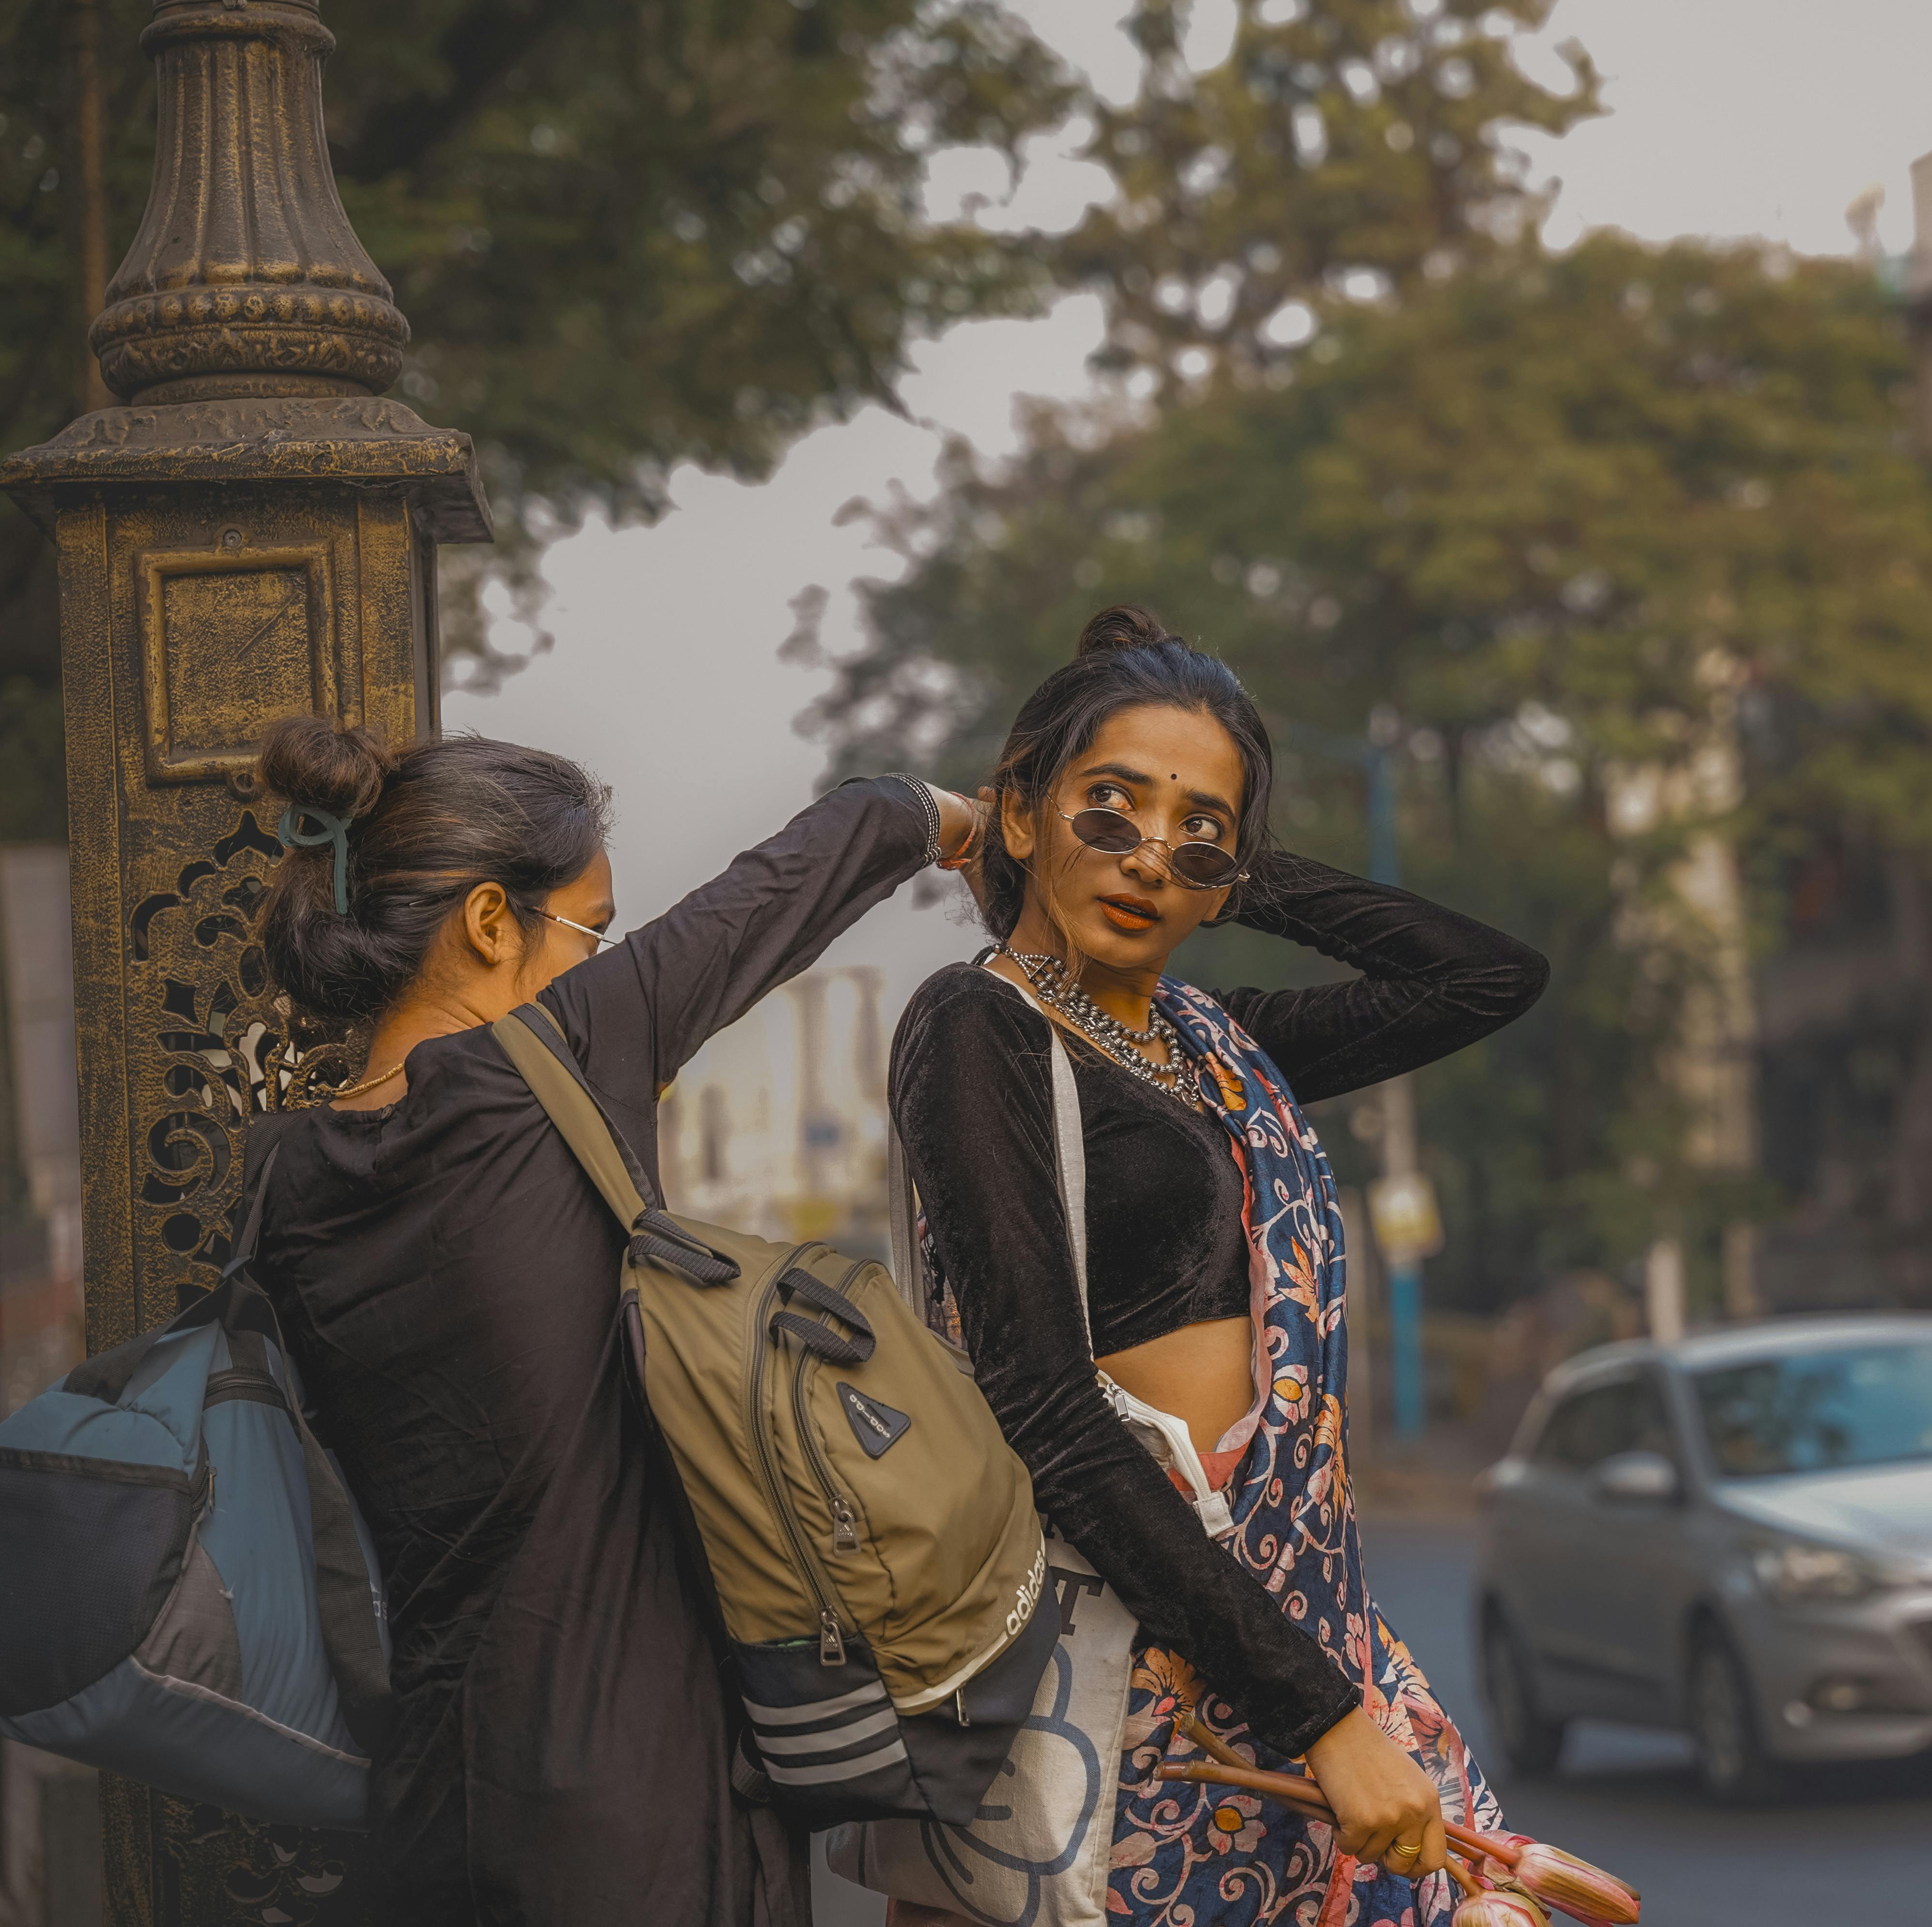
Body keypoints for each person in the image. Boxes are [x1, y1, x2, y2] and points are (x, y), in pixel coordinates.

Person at [241, 716, 982, 1922]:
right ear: (491, 921)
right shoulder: (549, 1069)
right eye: (594, 927)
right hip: (647, 1788)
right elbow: (789, 883)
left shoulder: (281, 1175)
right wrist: (963, 818)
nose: (607, 961)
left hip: (427, 1789)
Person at [890, 607, 1547, 1925]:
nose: (1147, 861)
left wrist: (1232, 860)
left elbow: (1486, 978)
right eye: (1107, 811)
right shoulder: (983, 1033)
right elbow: (1049, 1416)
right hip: (1146, 1690)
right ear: (1019, 815)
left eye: (1196, 832)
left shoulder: (1214, 1046)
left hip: (1306, 1654)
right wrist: (1320, 1720)